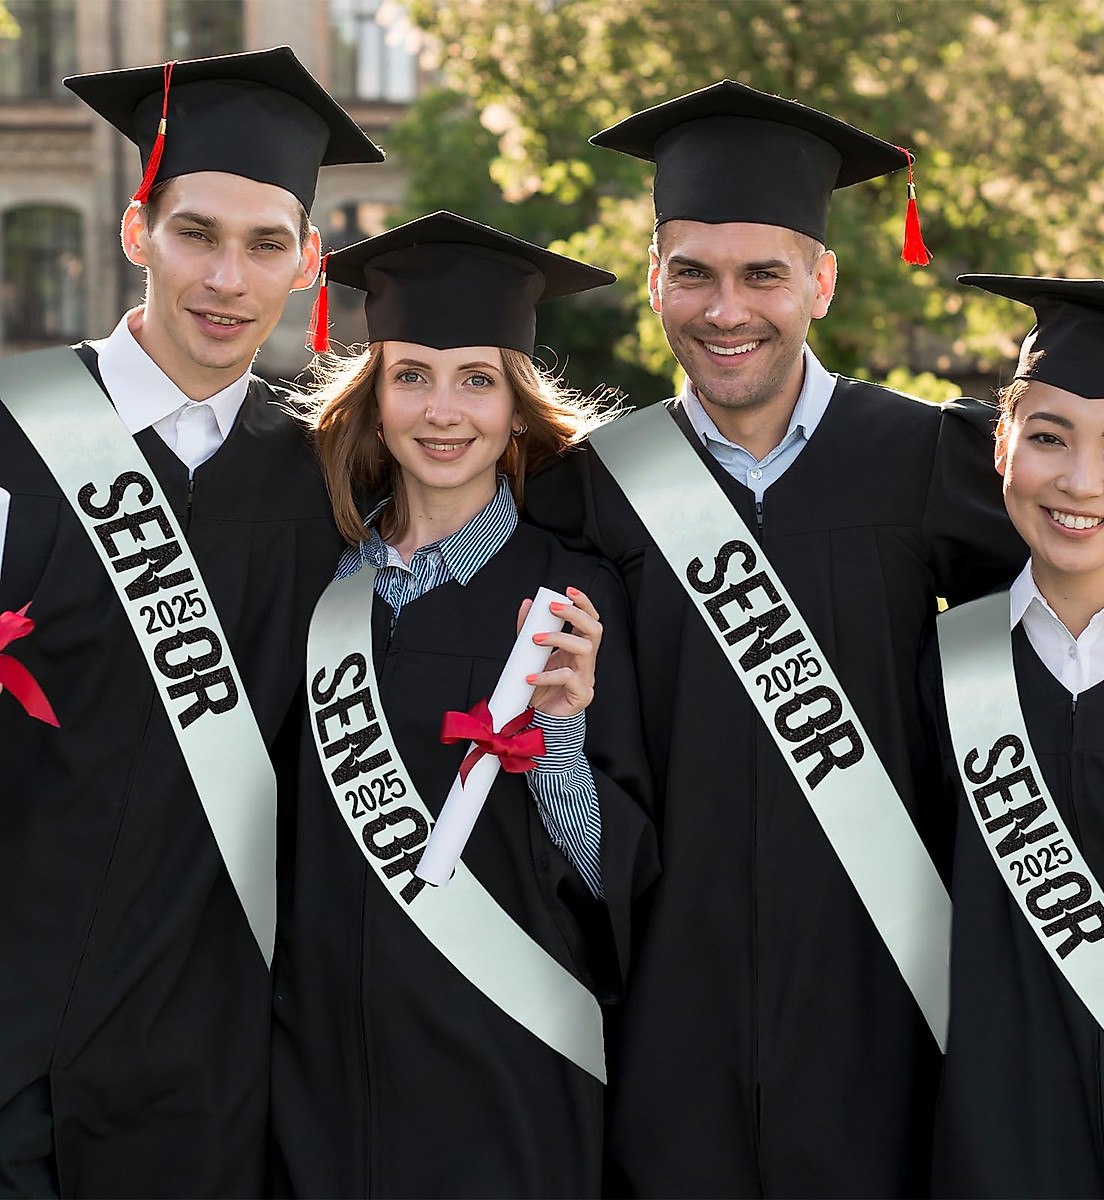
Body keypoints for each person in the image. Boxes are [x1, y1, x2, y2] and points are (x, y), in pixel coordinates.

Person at [523, 79, 1028, 1198]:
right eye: (693, 272)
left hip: (880, 990)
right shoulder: (598, 488)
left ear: (821, 282)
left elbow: (1083, 599)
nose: (726, 309)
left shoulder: (922, 459)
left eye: (763, 274)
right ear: (654, 280)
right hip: (665, 1000)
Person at [0, 47, 382, 1197]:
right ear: (137, 233)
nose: (227, 277)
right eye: (196, 234)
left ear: (308, 262)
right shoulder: (16, 435)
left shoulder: (330, 489)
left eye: (266, 244)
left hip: (203, 1061)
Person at [270, 212, 658, 1199]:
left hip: (507, 1076)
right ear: (375, 395)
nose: (443, 413)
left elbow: (624, 873)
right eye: (412, 377)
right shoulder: (316, 587)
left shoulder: (575, 601)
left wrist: (562, 745)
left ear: (518, 407)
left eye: (478, 380)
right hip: (316, 1085)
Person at [927, 274, 1104, 1198]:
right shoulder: (947, 665)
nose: (1080, 482)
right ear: (1001, 443)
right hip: (988, 1153)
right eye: (1047, 437)